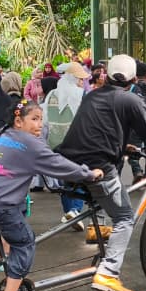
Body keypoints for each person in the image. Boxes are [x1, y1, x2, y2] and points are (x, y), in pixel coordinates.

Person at [56, 54, 146, 291]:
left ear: (106, 75)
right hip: (97, 165)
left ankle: (103, 258)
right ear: (131, 79)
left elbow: (97, 129)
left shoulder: (93, 95)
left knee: (106, 205)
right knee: (124, 217)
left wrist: (122, 146)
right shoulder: (130, 99)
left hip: (70, 162)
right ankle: (108, 272)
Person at [0, 100, 103, 291]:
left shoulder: (3, 132)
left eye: (41, 119)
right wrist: (89, 174)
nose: (40, 125)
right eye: (34, 119)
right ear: (18, 121)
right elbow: (59, 165)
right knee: (25, 242)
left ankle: (7, 268)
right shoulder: (31, 143)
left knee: (15, 218)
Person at [44, 63, 88, 227]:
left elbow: (45, 121)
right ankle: (75, 211)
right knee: (80, 176)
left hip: (56, 143)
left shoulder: (52, 95)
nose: (82, 82)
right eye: (80, 79)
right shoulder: (81, 94)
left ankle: (68, 211)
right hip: (77, 143)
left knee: (64, 178)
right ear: (74, 78)